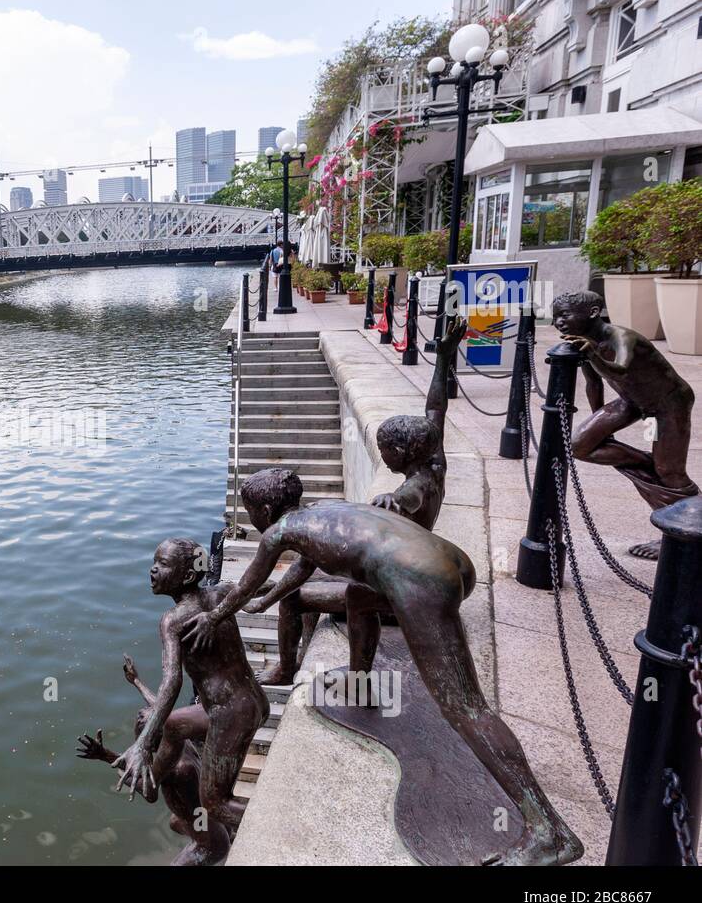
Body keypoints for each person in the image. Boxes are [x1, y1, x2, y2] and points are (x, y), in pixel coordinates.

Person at [180, 470, 583, 865]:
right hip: (450, 561)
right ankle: (360, 683)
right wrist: (266, 604)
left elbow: (247, 583)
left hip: (418, 579)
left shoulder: (277, 532)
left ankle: (549, 830)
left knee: (464, 707)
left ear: (265, 509)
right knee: (359, 595)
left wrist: (214, 618)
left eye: (251, 511)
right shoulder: (322, 514)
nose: (252, 519)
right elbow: (301, 568)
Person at [256, 316, 468, 686]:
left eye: (385, 449)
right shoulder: (434, 466)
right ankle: (305, 648)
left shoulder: (410, 491)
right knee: (315, 577)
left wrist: (390, 497)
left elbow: (408, 500)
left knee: (292, 597)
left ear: (401, 452)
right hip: (423, 573)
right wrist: (444, 359)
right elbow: (436, 409)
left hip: (395, 593)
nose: (382, 454)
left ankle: (288, 667)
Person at [111, 539, 268, 831]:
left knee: (215, 804)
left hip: (230, 714)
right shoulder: (222, 592)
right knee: (174, 725)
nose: (153, 570)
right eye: (154, 562)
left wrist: (144, 743)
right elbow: (257, 595)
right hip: (254, 700)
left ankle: (279, 826)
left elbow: (172, 681)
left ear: (185, 576)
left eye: (163, 564)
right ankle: (152, 782)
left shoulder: (173, 620)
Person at [555, 290, 697, 559]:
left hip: (669, 403)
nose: (557, 323)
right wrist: (602, 426)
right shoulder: (587, 342)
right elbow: (593, 382)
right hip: (631, 401)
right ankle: (647, 462)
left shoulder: (622, 337)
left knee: (670, 474)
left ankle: (684, 530)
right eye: (555, 318)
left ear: (594, 313)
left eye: (563, 315)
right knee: (579, 446)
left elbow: (619, 369)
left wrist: (592, 355)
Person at [76, 654, 231, 866]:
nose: (140, 715)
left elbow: (147, 792)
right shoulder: (178, 736)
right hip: (210, 819)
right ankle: (226, 833)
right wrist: (136, 681)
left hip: (210, 844)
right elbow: (160, 706)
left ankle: (218, 846)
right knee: (175, 822)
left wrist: (105, 756)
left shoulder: (173, 769)